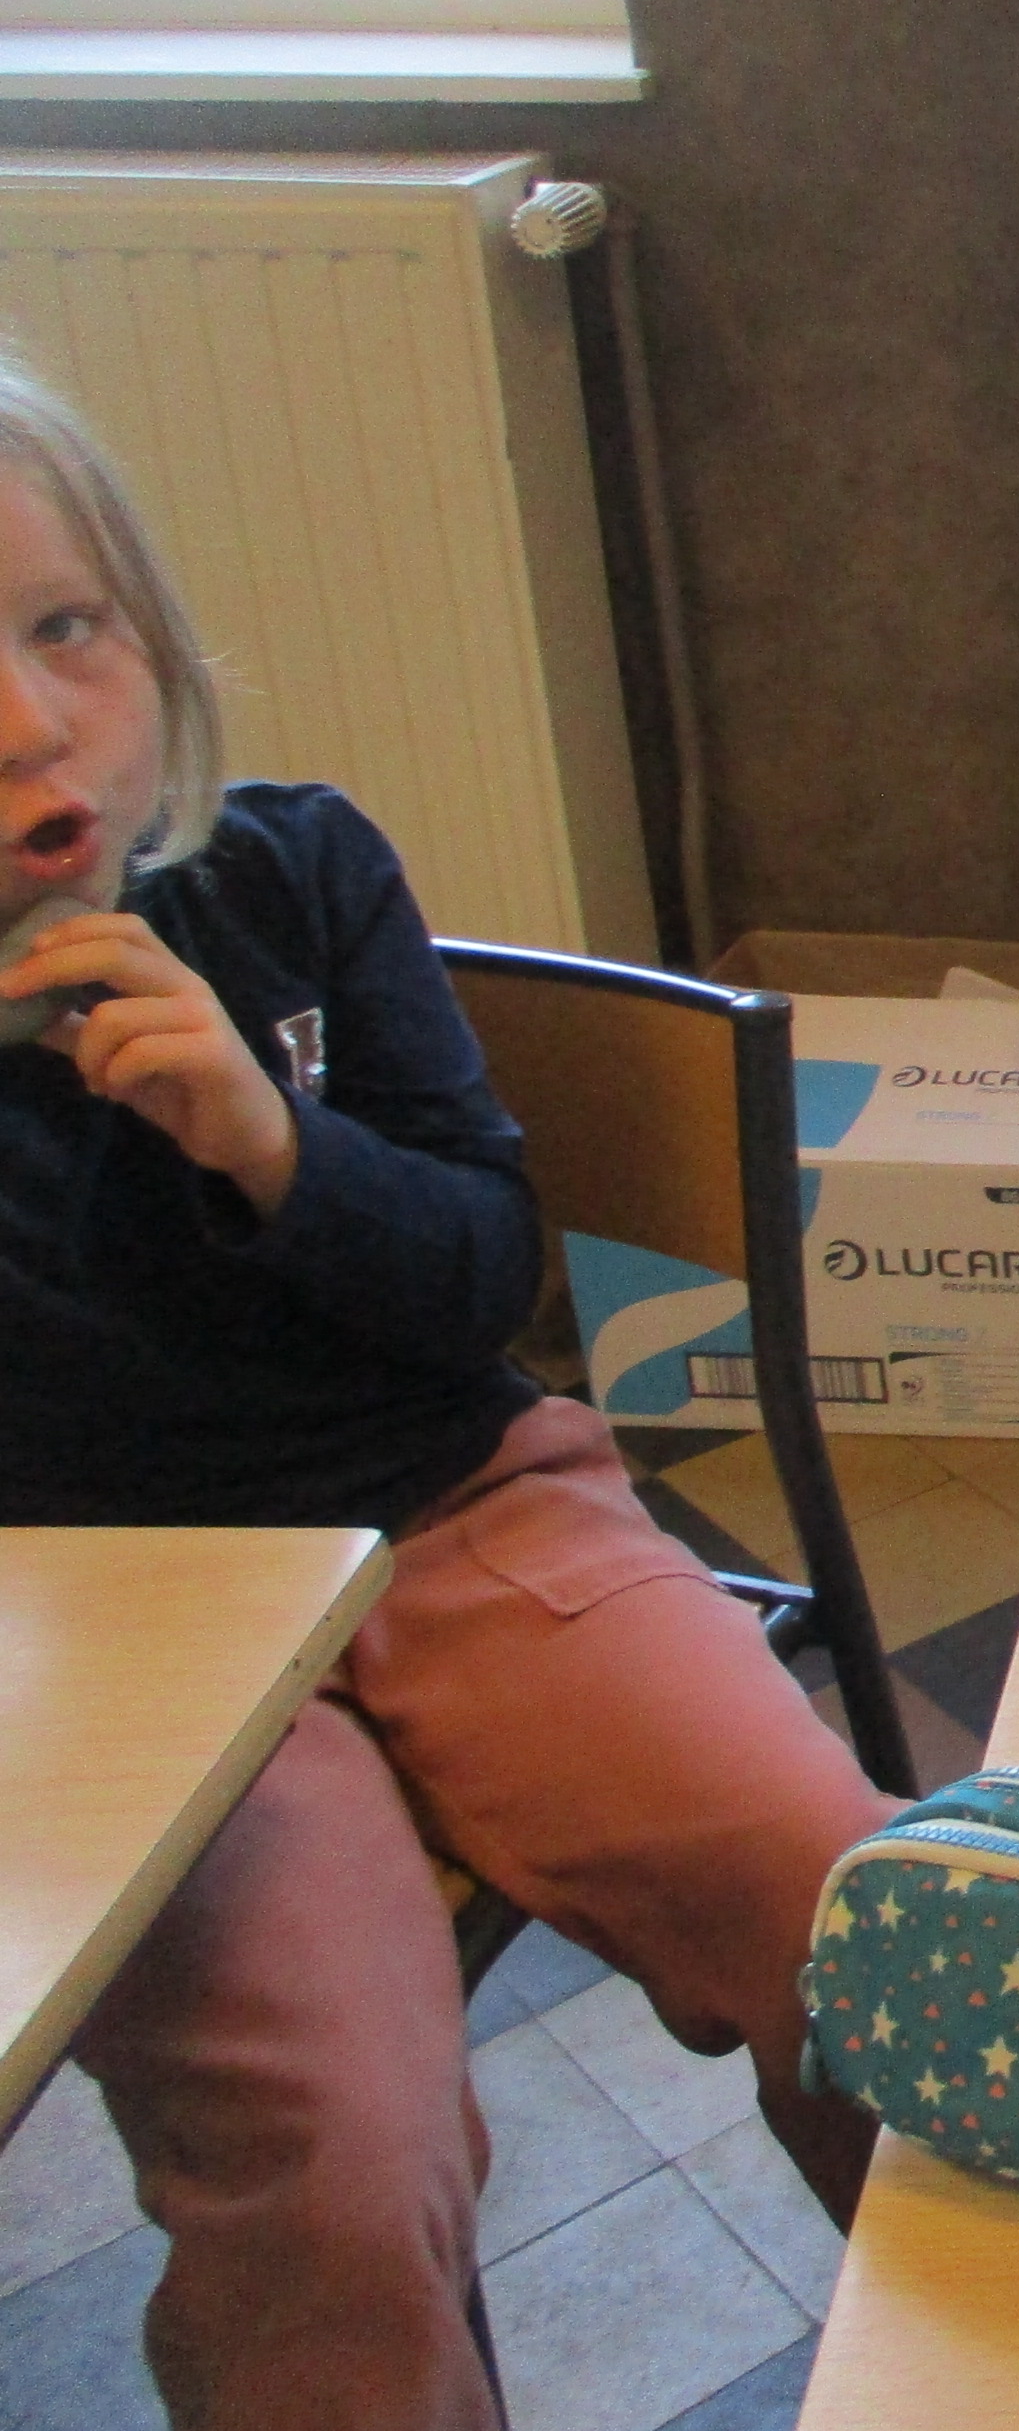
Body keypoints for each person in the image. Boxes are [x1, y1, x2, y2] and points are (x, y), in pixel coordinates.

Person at [0, 351, 900, 2431]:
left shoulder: (292, 877)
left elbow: (489, 1275)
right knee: (330, 2168)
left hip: (461, 1503)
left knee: (861, 1923)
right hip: (139, 1652)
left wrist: (272, 1145)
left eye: (70, 630)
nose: (39, 724)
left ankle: (1011, 2367)